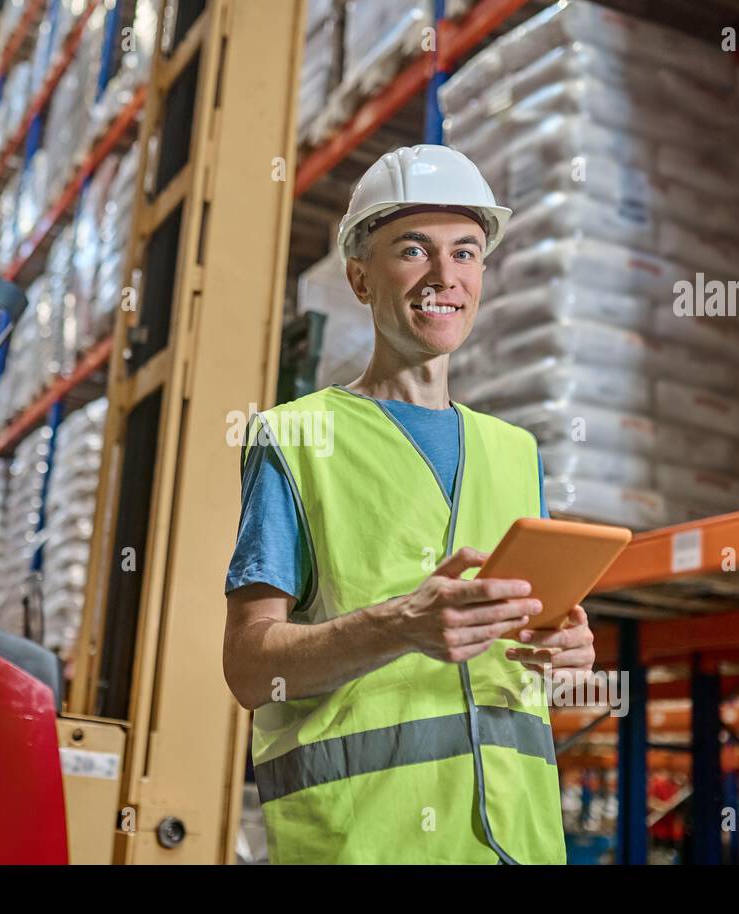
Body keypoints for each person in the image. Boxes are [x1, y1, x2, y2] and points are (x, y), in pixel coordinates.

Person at [222, 144, 596, 864]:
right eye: (413, 250)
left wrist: (567, 652)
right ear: (360, 278)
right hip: (364, 844)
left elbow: (520, 658)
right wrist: (398, 625)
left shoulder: (515, 451)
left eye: (465, 253)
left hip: (518, 845)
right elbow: (247, 668)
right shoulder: (297, 437)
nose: (444, 277)